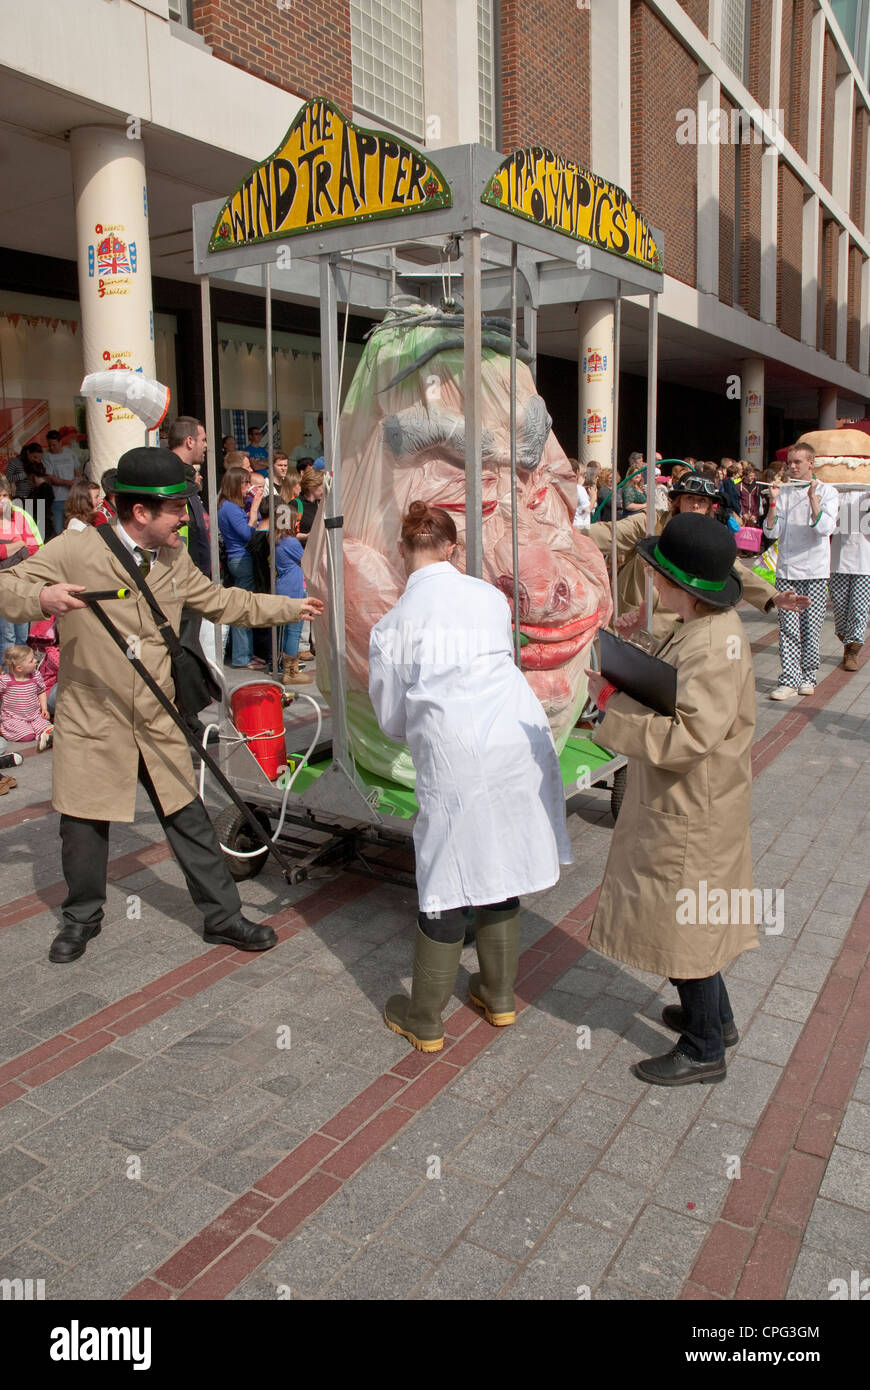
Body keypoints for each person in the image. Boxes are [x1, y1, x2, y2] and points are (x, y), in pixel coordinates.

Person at [0, 446, 323, 964]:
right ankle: (82, 917)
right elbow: (5, 585)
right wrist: (41, 600)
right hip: (92, 716)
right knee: (82, 825)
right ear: (141, 512)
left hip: (157, 713)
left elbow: (223, 601)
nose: (185, 518)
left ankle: (223, 918)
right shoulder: (74, 550)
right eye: (176, 509)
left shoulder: (174, 556)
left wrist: (290, 606)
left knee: (188, 817)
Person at [368, 501, 573, 1053]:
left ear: (400, 551)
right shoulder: (487, 597)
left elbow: (390, 720)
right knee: (499, 860)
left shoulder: (392, 628)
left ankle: (426, 1018)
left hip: (455, 751)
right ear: (453, 548)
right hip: (513, 736)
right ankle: (498, 995)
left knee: (445, 874)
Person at [585, 513, 758, 1086]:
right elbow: (675, 688)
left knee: (687, 927)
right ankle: (717, 1019)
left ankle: (704, 1046)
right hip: (694, 805)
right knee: (694, 921)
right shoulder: (705, 626)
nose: (652, 583)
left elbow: (689, 735)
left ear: (681, 586)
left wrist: (611, 708)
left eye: (658, 576)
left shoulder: (714, 645)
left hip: (692, 809)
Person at [587, 470, 810, 639]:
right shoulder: (650, 523)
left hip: (670, 633)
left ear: (709, 508)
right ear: (677, 502)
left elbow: (737, 570)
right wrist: (562, 534)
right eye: (689, 499)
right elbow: (608, 534)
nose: (695, 505)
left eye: (701, 501)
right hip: (628, 622)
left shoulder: (710, 539)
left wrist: (773, 596)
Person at [763, 442, 838, 699]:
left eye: (798, 462)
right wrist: (773, 502)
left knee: (811, 626)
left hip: (815, 571)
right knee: (787, 627)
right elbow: (772, 532)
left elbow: (824, 529)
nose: (792, 466)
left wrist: (812, 499)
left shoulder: (828, 492)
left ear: (811, 463)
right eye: (790, 462)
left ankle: (808, 676)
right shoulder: (782, 491)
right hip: (787, 571)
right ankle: (788, 679)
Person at [217, 464, 266, 668]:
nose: (248, 486)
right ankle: (241, 657)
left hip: (239, 558)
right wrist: (253, 510)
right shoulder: (229, 507)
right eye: (245, 482)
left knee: (245, 606)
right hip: (240, 559)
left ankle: (246, 652)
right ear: (236, 484)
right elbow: (248, 534)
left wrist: (252, 503)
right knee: (243, 608)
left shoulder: (232, 505)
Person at [0, 475, 43, 651]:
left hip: (22, 583)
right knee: (7, 635)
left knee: (22, 634)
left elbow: (36, 549)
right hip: (3, 587)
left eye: (4, 496)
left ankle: (22, 676)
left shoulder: (21, 516)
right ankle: (7, 675)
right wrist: (18, 544)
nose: (2, 501)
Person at [830, 490, 870, 671]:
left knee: (859, 608)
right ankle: (847, 641)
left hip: (864, 561)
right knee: (839, 607)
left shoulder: (866, 491)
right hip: (838, 560)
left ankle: (853, 650)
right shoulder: (836, 491)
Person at [168, 416, 211, 578]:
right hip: (182, 573)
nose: (206, 445)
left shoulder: (187, 478)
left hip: (194, 573)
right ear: (190, 441)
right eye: (203, 440)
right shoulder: (172, 478)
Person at [275, 513, 312, 686]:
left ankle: (288, 669)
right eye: (295, 520)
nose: (297, 523)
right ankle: (291, 672)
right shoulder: (290, 541)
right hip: (295, 587)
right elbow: (307, 560)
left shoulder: (277, 540)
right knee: (294, 631)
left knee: (289, 630)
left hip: (285, 584)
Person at [0, 643, 53, 751]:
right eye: (31, 660)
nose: (36, 661)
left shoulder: (36, 675)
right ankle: (4, 729)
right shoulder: (5, 681)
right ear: (19, 668)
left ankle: (45, 734)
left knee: (47, 728)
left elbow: (41, 691)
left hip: (34, 716)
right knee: (28, 736)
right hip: (14, 718)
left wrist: (44, 708)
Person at [43, 429, 84, 537]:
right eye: (49, 445)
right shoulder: (47, 456)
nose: (52, 447)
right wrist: (68, 483)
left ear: (60, 442)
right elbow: (50, 477)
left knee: (74, 526)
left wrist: (76, 482)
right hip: (57, 498)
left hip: (72, 497)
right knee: (58, 529)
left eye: (54, 445)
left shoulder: (69, 452)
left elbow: (76, 471)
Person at [297, 466, 323, 547]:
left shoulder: (321, 504)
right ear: (311, 487)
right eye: (322, 486)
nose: (325, 489)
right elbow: (283, 536)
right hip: (302, 554)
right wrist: (307, 536)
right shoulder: (294, 505)